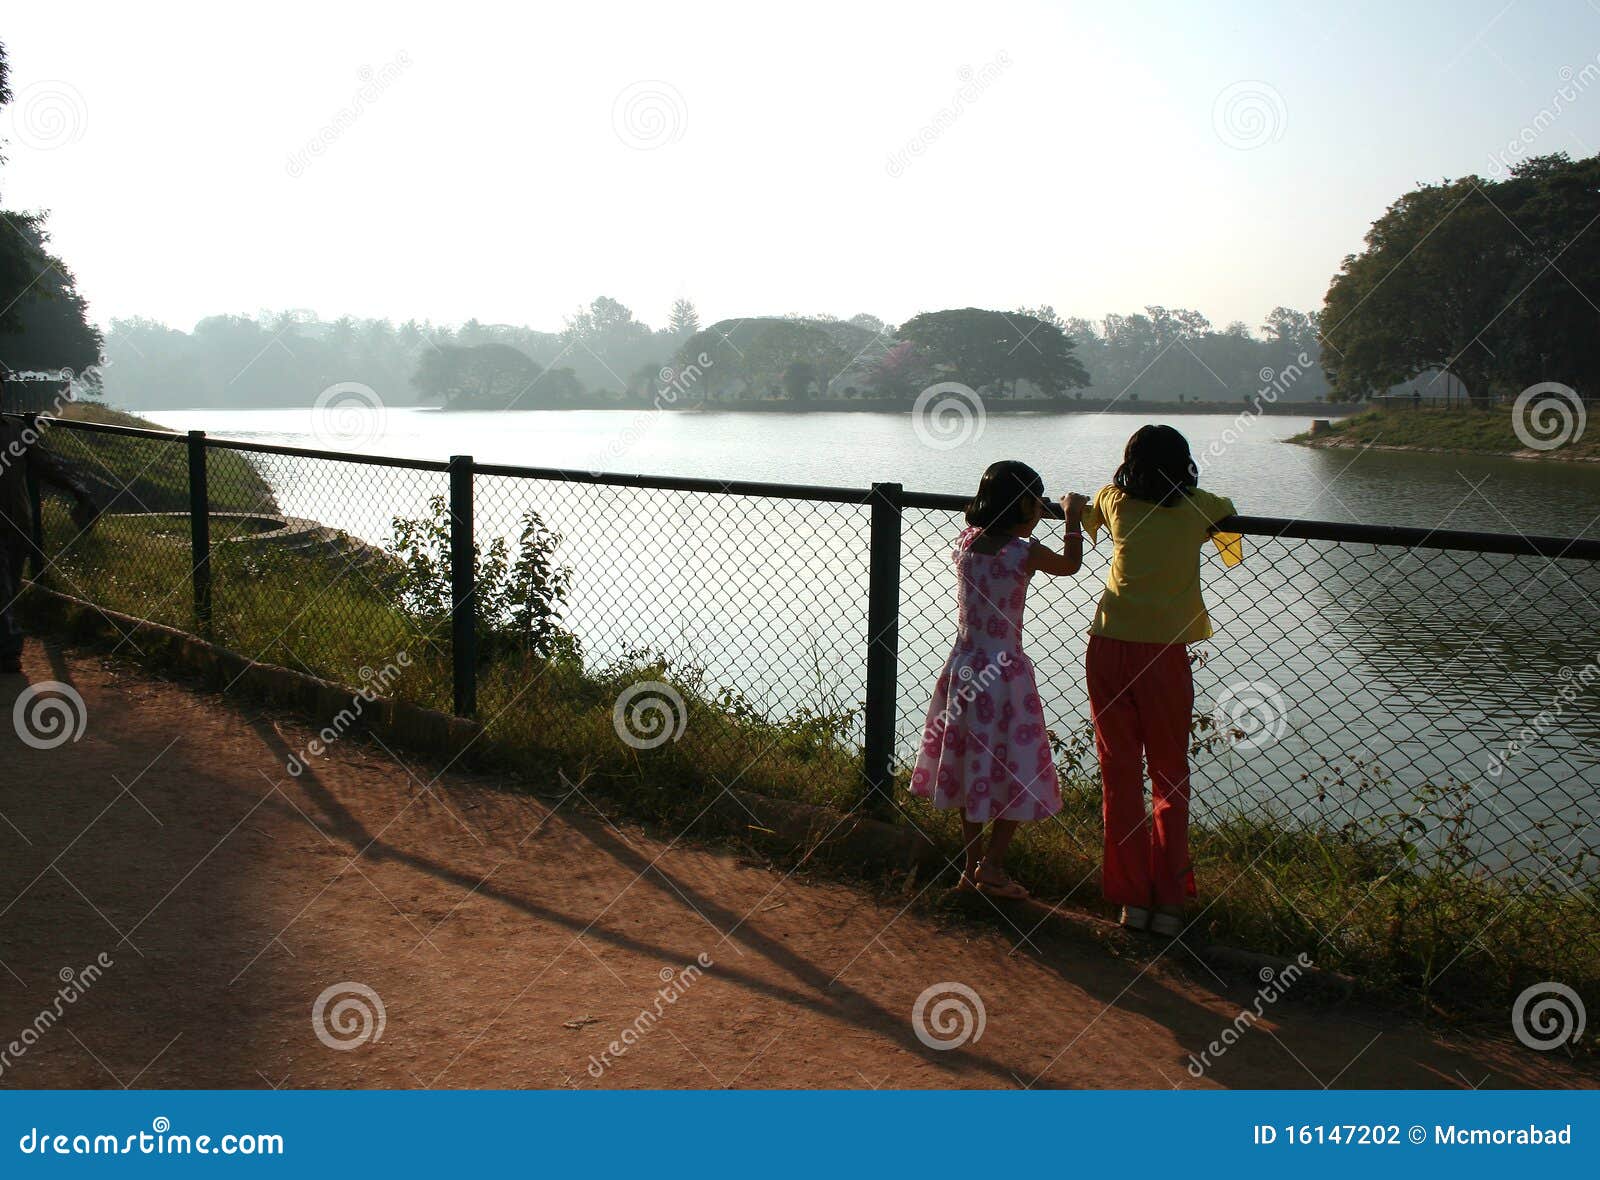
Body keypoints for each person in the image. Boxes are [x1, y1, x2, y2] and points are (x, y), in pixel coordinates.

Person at [1080, 425, 1235, 937]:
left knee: (1118, 775)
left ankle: (1131, 902)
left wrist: (1068, 506)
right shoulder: (1199, 507)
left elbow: (1090, 510)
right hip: (1164, 655)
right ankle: (1169, 903)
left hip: (1107, 646)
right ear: (1185, 463)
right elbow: (1231, 537)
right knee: (1170, 776)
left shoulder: (1114, 500)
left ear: (1129, 462)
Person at [909, 460, 1086, 899]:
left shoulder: (967, 543)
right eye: (1038, 502)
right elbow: (1070, 566)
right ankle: (993, 865)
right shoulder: (1023, 553)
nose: (1041, 509)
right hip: (1005, 677)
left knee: (973, 765)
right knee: (1018, 766)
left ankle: (970, 866)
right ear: (1025, 505)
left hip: (964, 668)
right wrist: (1073, 518)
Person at [0, 374, 101, 674]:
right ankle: (8, 651)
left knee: (9, 587)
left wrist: (76, 490)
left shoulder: (16, 430)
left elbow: (44, 465)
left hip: (17, 523)